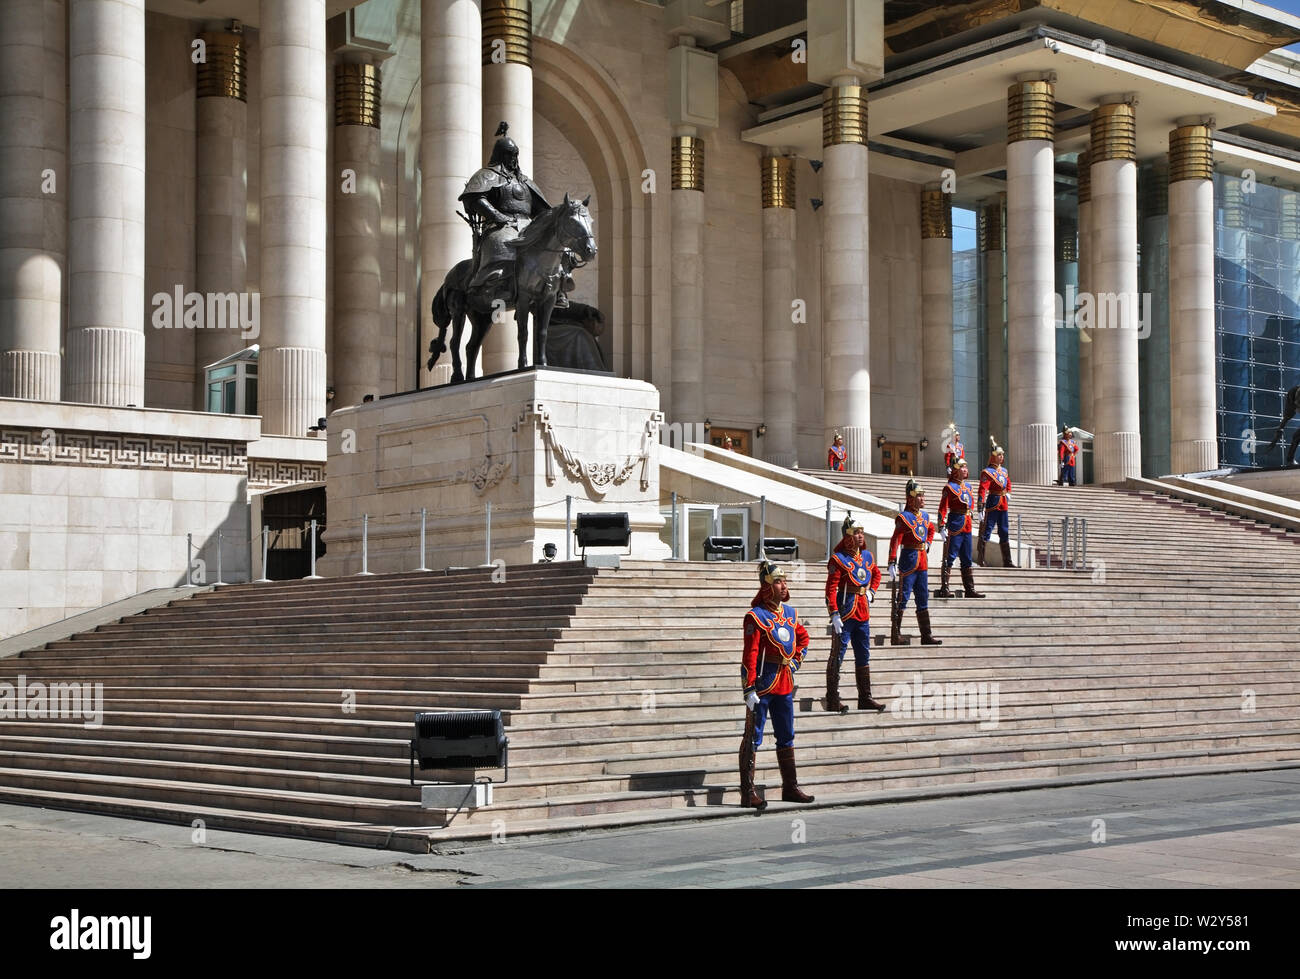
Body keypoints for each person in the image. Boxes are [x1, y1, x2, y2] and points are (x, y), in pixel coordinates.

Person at [739, 560, 815, 809]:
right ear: (767, 586)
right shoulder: (755, 616)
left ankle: (790, 787)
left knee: (786, 735)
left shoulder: (790, 614)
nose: (784, 585)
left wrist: (795, 662)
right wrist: (749, 687)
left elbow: (803, 638)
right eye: (779, 581)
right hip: (763, 683)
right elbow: (750, 654)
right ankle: (747, 791)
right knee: (753, 737)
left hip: (785, 680)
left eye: (784, 581)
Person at [458, 121, 551, 304]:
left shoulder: (525, 181)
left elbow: (542, 210)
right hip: (500, 225)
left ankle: (556, 286)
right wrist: (497, 216)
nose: (513, 158)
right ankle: (489, 284)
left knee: (553, 247)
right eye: (509, 154)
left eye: (516, 154)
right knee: (503, 242)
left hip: (527, 226)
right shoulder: (488, 174)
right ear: (500, 154)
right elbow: (475, 198)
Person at [823, 513, 884, 714]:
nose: (860, 536)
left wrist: (872, 592)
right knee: (838, 654)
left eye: (861, 532)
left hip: (863, 612)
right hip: (846, 610)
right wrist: (834, 613)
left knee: (863, 654)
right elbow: (831, 588)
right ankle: (832, 698)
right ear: (847, 536)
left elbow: (876, 573)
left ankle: (865, 697)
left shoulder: (867, 556)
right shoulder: (838, 559)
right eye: (856, 533)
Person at [887, 478, 942, 646]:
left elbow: (931, 529)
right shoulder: (904, 518)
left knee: (923, 597)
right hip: (908, 560)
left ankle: (926, 635)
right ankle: (896, 634)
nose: (923, 499)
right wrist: (892, 560)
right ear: (911, 498)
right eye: (920, 496)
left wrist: (929, 542)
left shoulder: (925, 516)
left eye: (923, 496)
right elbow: (896, 540)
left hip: (922, 561)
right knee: (902, 597)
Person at [936, 458, 985, 599]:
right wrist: (941, 526)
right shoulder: (949, 487)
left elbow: (971, 504)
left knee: (967, 558)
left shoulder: (968, 487)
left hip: (967, 523)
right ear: (956, 470)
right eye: (962, 467)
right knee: (950, 556)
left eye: (966, 466)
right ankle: (944, 587)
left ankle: (969, 589)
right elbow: (942, 508)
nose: (965, 469)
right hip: (955, 523)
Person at [978, 438, 1015, 568]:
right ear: (993, 456)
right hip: (993, 502)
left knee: (1004, 531)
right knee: (987, 531)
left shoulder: (1004, 471)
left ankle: (1007, 561)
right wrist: (980, 506)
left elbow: (1008, 482)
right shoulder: (987, 472)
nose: (1002, 457)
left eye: (1002, 454)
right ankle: (981, 559)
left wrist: (1008, 491)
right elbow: (983, 489)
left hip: (1003, 503)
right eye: (999, 454)